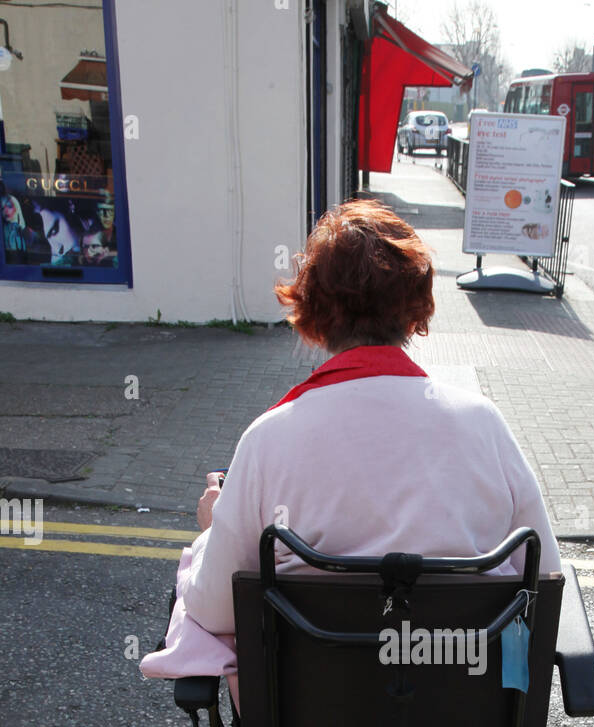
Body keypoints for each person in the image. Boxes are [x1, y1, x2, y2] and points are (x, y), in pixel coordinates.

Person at [141, 198, 560, 698]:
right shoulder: (483, 425)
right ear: (415, 311)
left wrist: (213, 532)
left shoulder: (268, 440)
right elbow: (546, 579)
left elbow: (211, 611)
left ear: (313, 315)